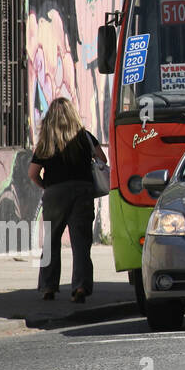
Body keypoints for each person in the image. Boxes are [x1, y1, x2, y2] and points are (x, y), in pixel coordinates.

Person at [29, 97, 105, 303]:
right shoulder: (85, 137)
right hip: (83, 191)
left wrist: (47, 187)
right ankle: (80, 288)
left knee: (51, 241)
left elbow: (33, 173)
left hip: (55, 193)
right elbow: (102, 159)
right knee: (81, 243)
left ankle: (48, 288)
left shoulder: (46, 141)